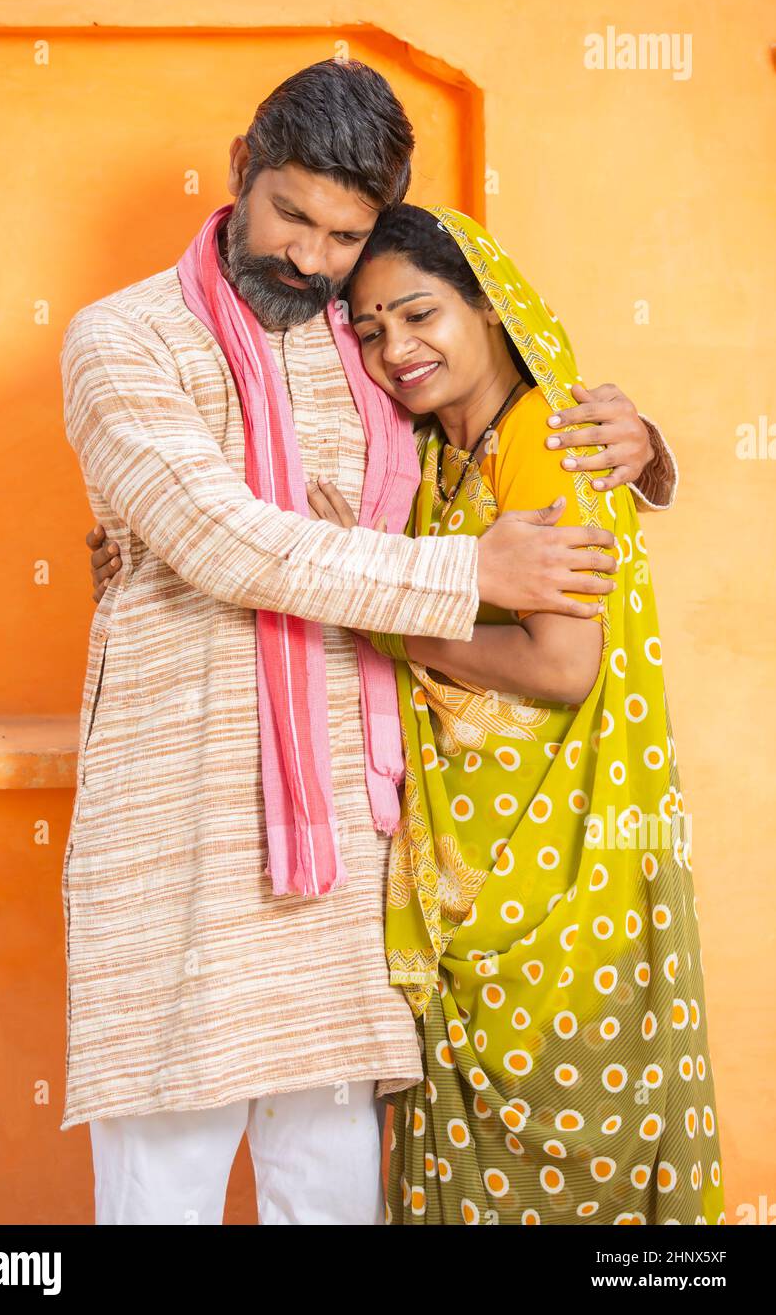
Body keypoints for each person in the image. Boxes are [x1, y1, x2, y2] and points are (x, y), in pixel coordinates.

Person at [66, 58, 677, 1226]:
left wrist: (634, 444)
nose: (308, 257)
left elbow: (484, 420)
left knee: (332, 1177)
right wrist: (467, 574)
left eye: (342, 236)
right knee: (165, 1171)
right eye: (291, 213)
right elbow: (222, 537)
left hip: (355, 832)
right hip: (179, 819)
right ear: (241, 170)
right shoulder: (122, 338)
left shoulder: (357, 340)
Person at [303, 200, 722, 1225]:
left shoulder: (546, 433)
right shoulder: (434, 455)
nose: (394, 348)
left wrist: (385, 622)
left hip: (555, 888)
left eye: (418, 315)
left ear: (490, 310)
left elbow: (564, 663)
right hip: (475, 881)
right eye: (369, 332)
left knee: (561, 1156)